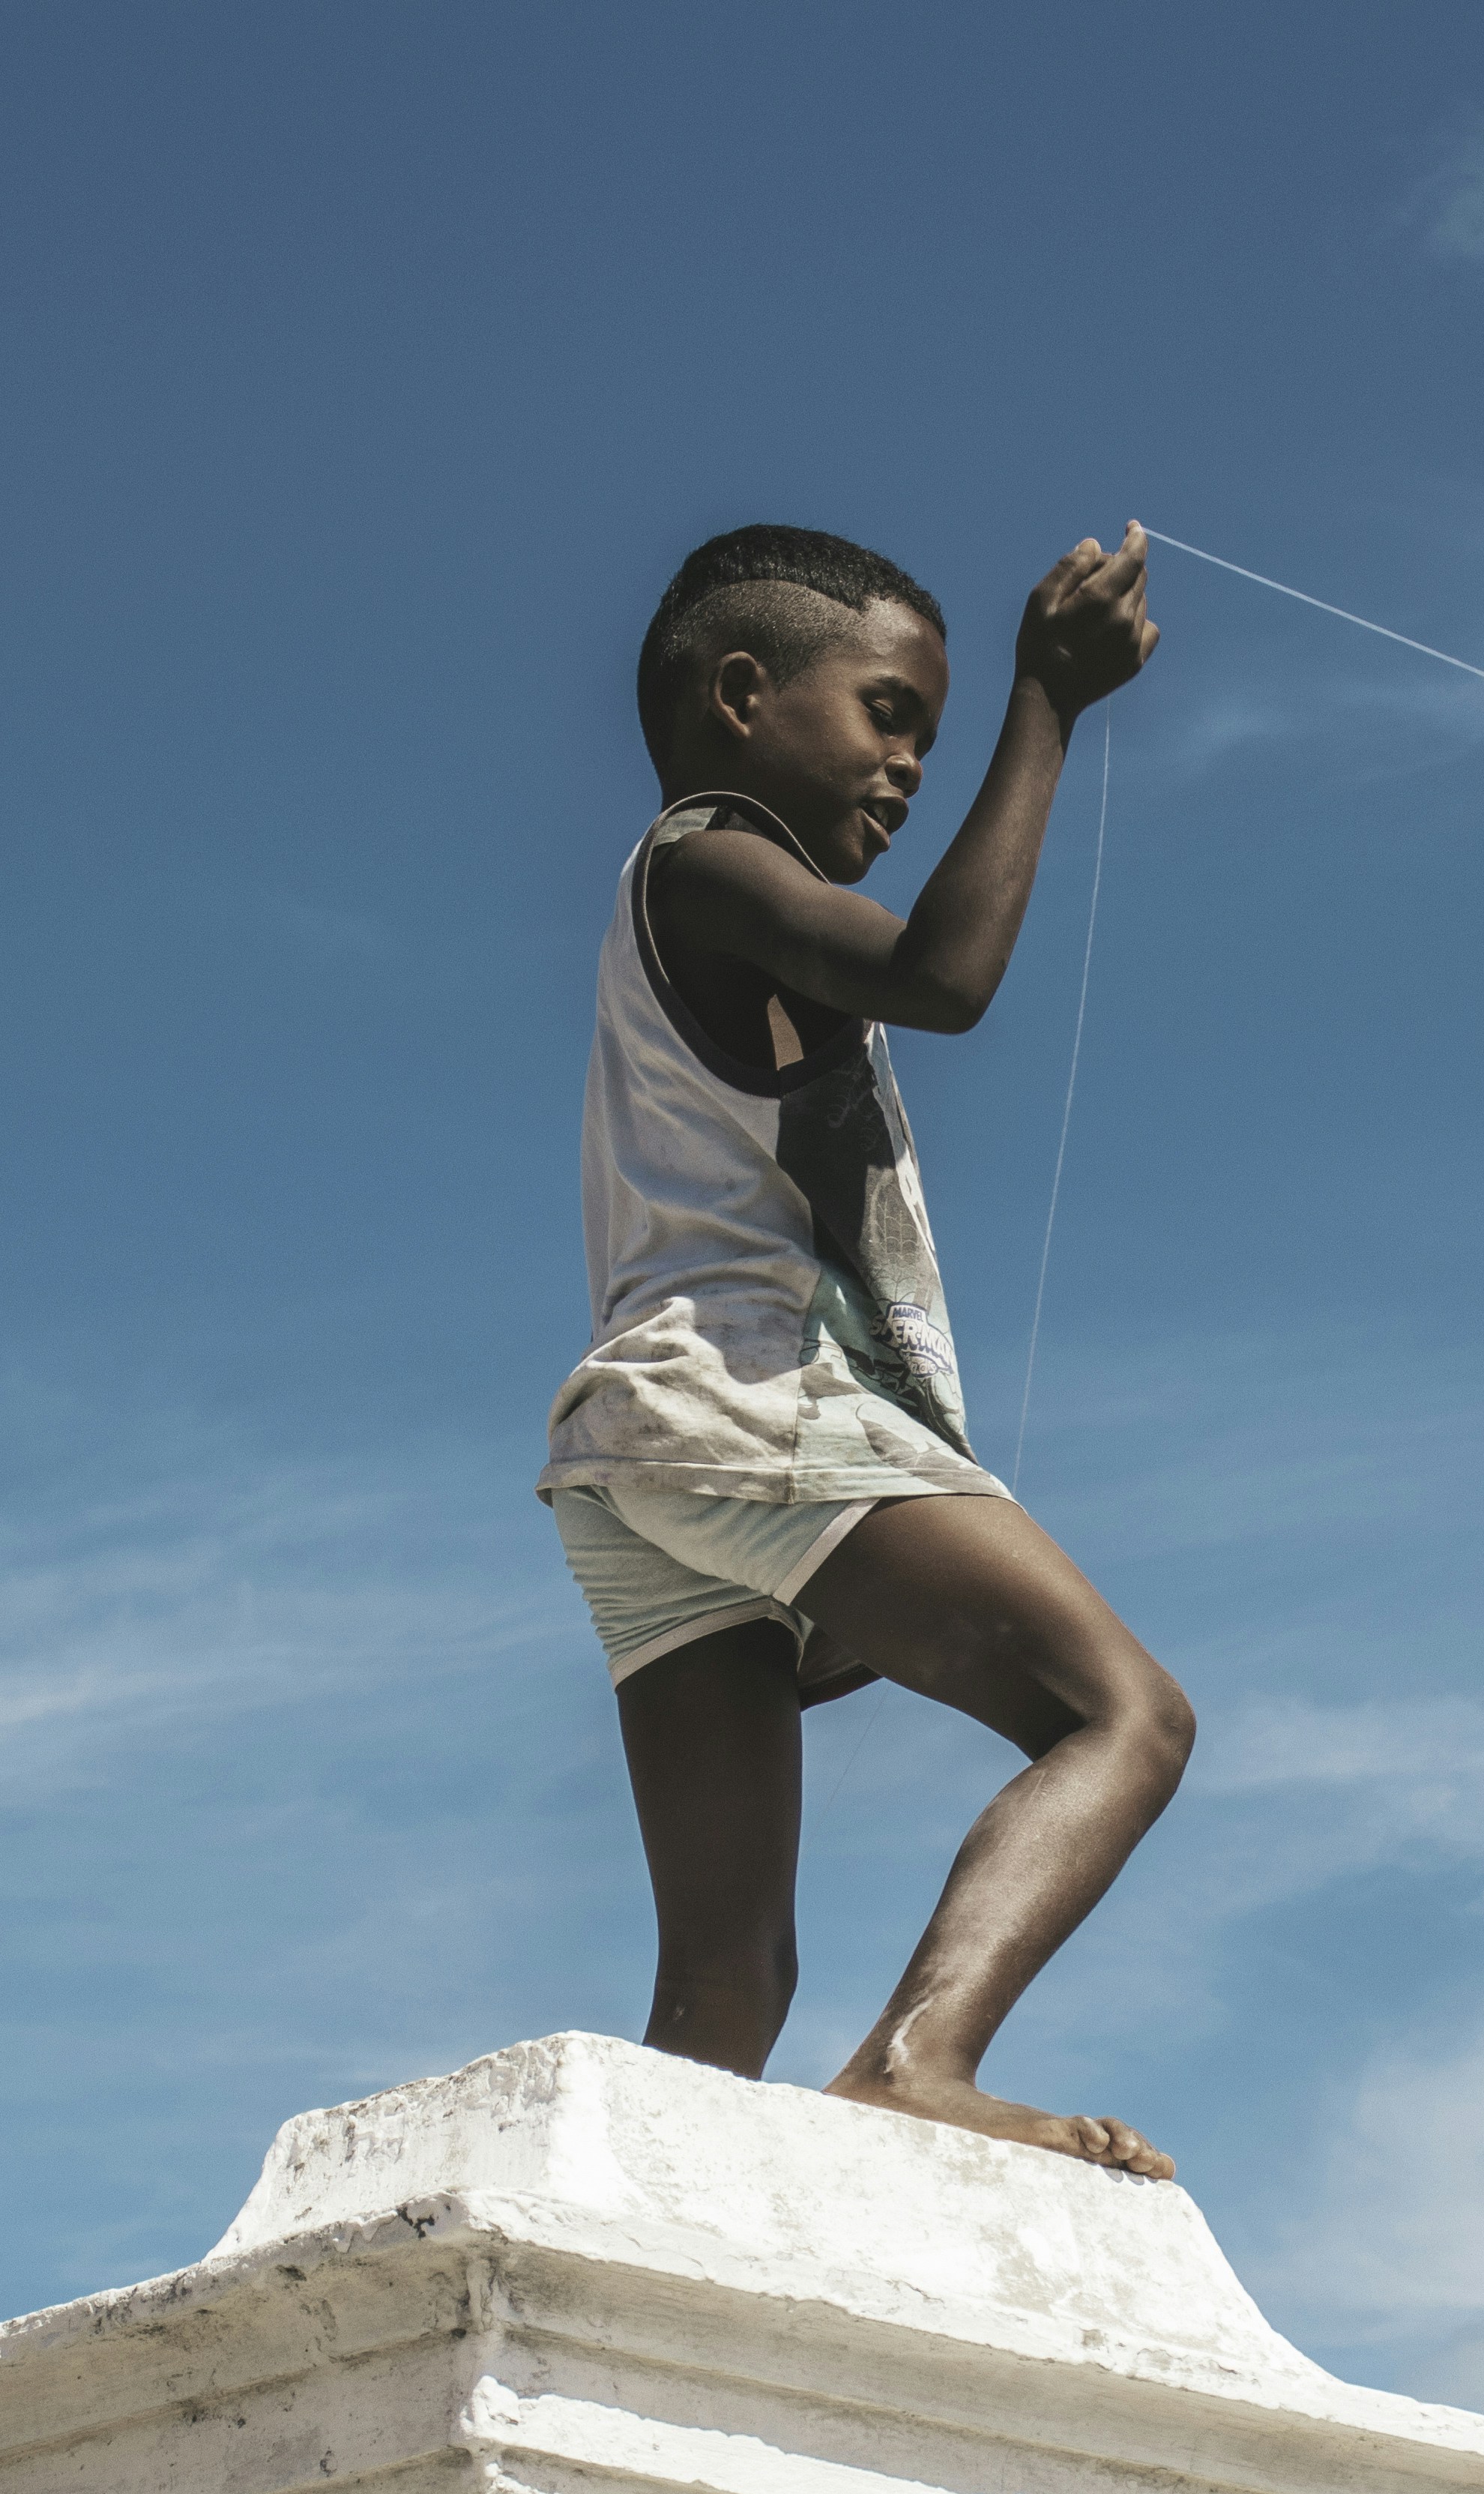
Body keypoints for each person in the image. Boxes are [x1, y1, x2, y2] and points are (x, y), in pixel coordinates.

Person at [542, 520, 1184, 2178]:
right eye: (892, 712)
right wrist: (1047, 699)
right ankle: (921, 2060)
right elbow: (943, 974)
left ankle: (635, 2232)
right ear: (746, 694)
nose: (912, 764)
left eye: (938, 731)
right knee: (1124, 1715)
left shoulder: (703, 903)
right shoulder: (706, 857)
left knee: (730, 1976)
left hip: (638, 1451)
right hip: (740, 1394)